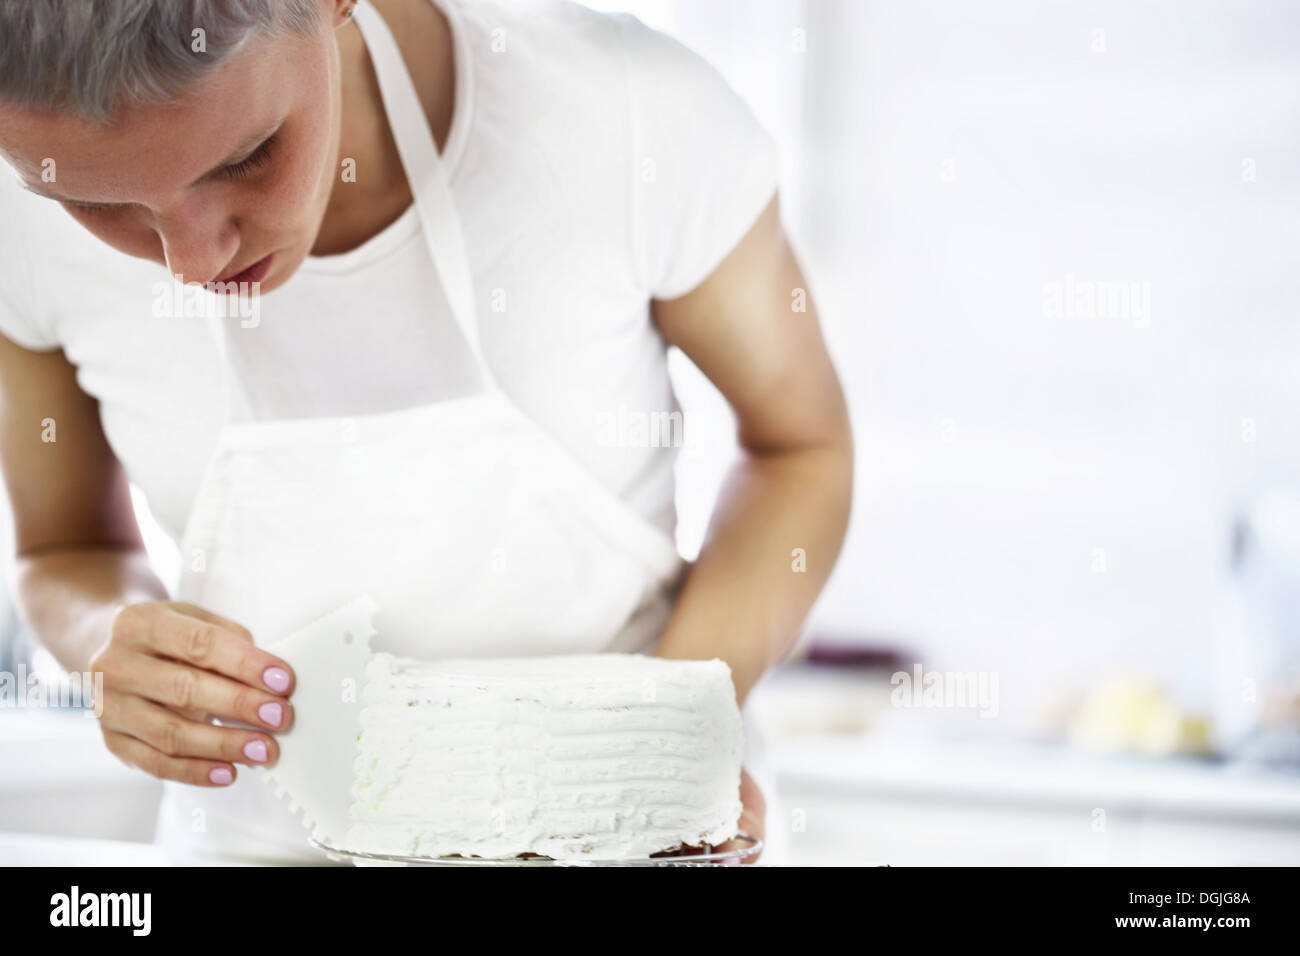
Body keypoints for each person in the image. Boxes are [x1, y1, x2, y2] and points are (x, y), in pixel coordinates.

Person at [0, 0, 852, 864]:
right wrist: (108, 636)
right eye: (92, 200)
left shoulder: (628, 115)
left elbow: (801, 453)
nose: (195, 260)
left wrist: (661, 744)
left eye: (245, 157)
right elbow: (60, 550)